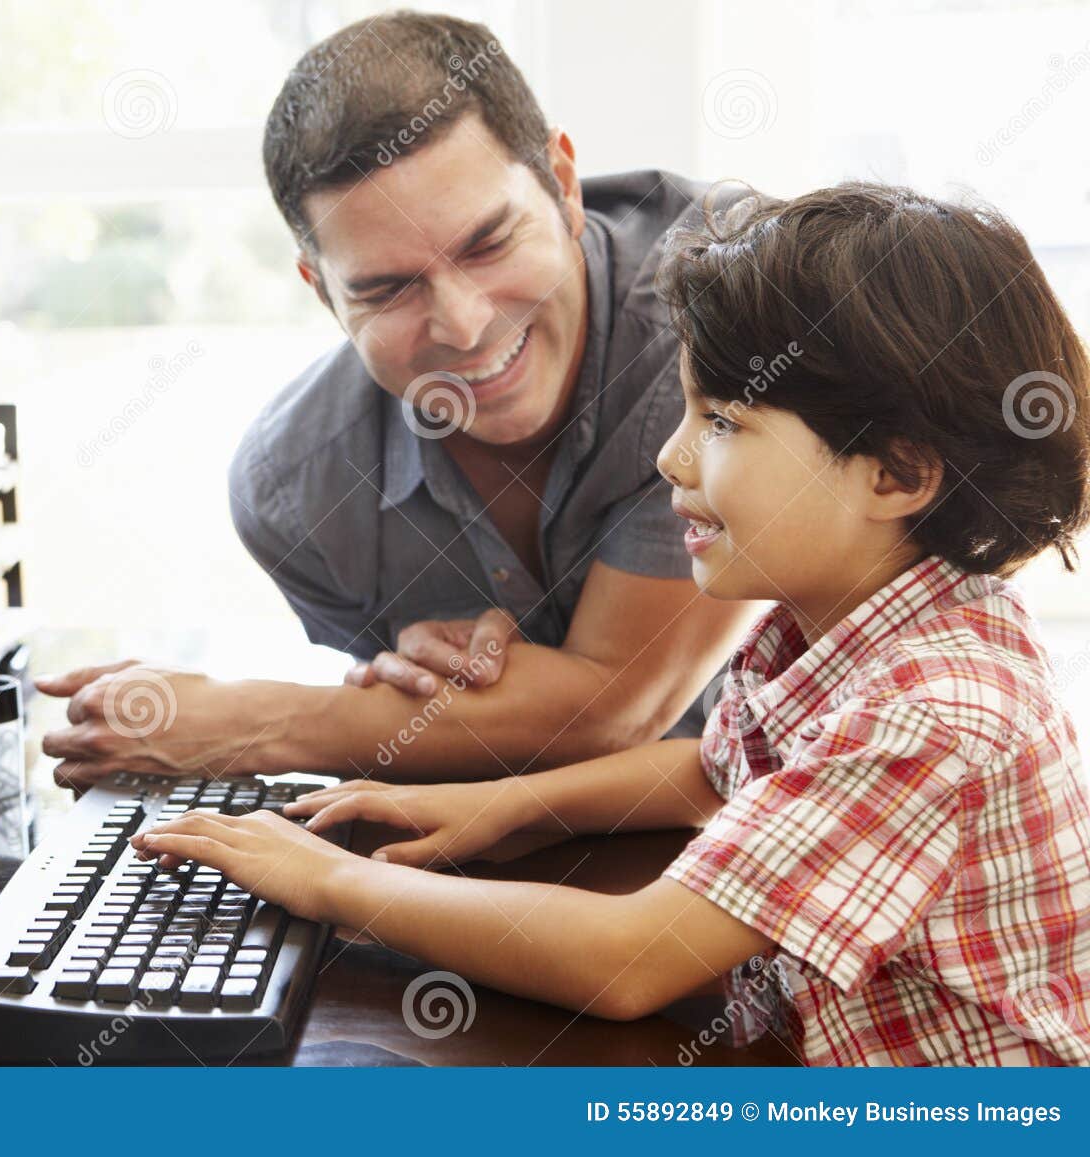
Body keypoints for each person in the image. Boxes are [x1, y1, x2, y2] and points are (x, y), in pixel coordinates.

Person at [132, 183, 1090, 1065]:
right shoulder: (847, 626)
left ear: (897, 475)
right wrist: (496, 808)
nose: (673, 457)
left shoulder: (934, 710)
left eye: (722, 423)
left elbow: (628, 960)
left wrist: (330, 885)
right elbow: (717, 765)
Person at [38, 12, 755, 787]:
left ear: (564, 182)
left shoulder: (736, 309)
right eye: (387, 288)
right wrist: (431, 688)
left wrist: (247, 721)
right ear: (322, 292)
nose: (466, 325)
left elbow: (614, 708)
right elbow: (432, 745)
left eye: (488, 244)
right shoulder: (294, 492)